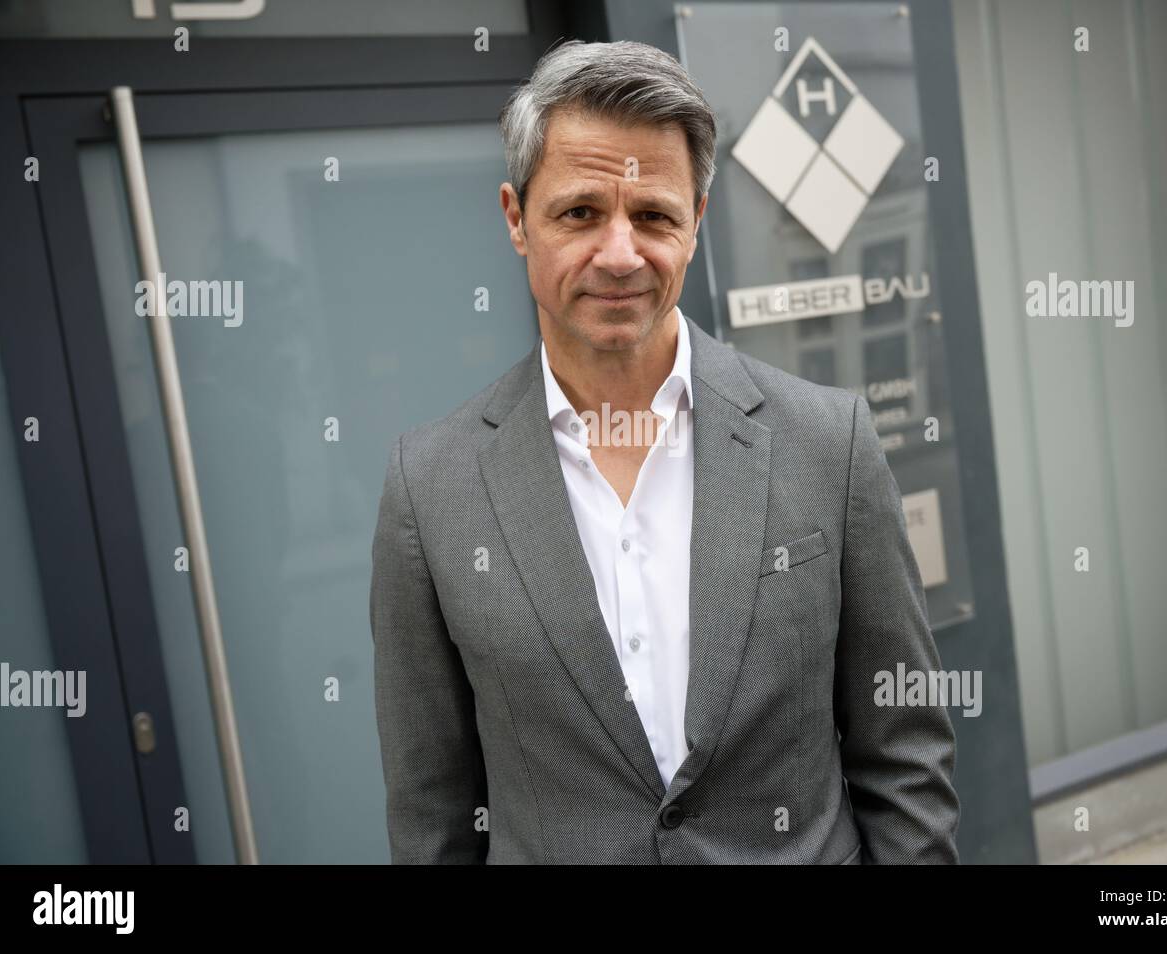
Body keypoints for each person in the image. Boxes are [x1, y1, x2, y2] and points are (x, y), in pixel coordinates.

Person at [369, 39, 960, 864]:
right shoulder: (428, 491)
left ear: (696, 226)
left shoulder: (831, 444)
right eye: (580, 212)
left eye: (653, 216)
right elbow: (432, 811)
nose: (620, 254)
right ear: (515, 219)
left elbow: (905, 758)